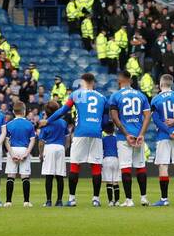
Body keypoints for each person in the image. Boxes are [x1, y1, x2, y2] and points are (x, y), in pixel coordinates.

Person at [41, 72, 108, 207]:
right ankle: (96, 199)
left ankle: (72, 199)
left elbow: (62, 111)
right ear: (93, 83)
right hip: (96, 133)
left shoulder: (76, 95)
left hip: (81, 132)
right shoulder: (102, 98)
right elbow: (105, 121)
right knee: (96, 166)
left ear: (82, 82)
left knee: (75, 165)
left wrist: (47, 121)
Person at [107, 70, 151, 206]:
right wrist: (141, 134)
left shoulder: (115, 96)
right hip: (138, 136)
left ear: (119, 80)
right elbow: (148, 116)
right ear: (130, 80)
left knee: (125, 167)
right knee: (140, 166)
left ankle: (129, 200)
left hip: (123, 137)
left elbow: (114, 117)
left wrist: (126, 134)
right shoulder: (141, 95)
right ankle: (143, 198)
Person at [149, 73, 174, 206]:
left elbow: (155, 119)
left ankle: (164, 199)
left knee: (163, 165)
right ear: (171, 84)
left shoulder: (155, 99)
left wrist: (168, 131)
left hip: (163, 136)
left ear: (161, 85)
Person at [2, 100, 36, 207]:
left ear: (13, 111)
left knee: (10, 176)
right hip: (24, 149)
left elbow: (6, 140)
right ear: (24, 111)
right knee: (25, 176)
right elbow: (32, 140)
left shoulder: (9, 124)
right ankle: (26, 201)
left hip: (13, 149)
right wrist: (27, 153)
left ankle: (8, 201)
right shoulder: (29, 124)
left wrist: (11, 154)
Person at [38, 99, 69, 207]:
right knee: (60, 176)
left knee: (49, 176)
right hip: (60, 148)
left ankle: (48, 201)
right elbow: (67, 137)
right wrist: (64, 148)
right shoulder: (63, 122)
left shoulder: (45, 123)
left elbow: (41, 141)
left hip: (49, 147)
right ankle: (59, 201)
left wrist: (41, 154)